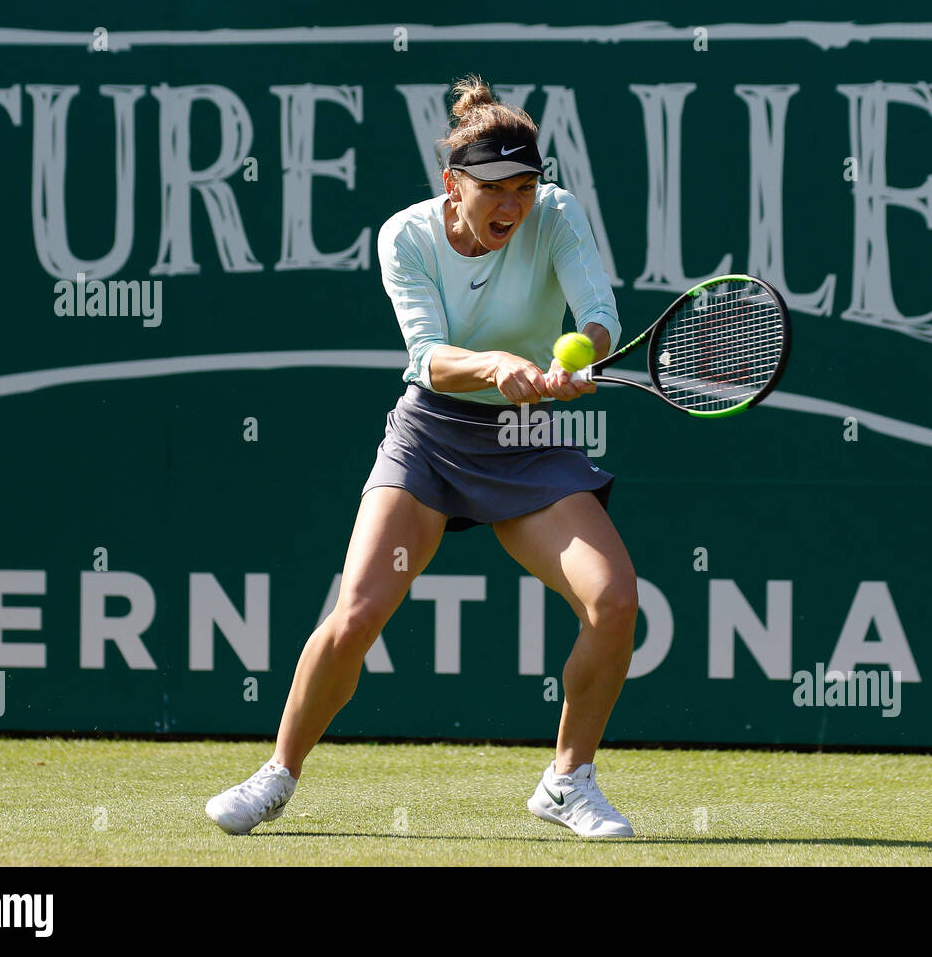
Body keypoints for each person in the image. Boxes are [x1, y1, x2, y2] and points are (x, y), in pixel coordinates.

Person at [205, 75, 638, 839]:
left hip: (526, 442)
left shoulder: (557, 216)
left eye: (525, 187)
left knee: (613, 602)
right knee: (358, 612)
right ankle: (277, 774)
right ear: (453, 183)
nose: (512, 204)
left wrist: (582, 360)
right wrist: (499, 363)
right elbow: (429, 357)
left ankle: (568, 781)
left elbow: (598, 316)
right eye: (494, 188)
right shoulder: (405, 234)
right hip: (432, 436)